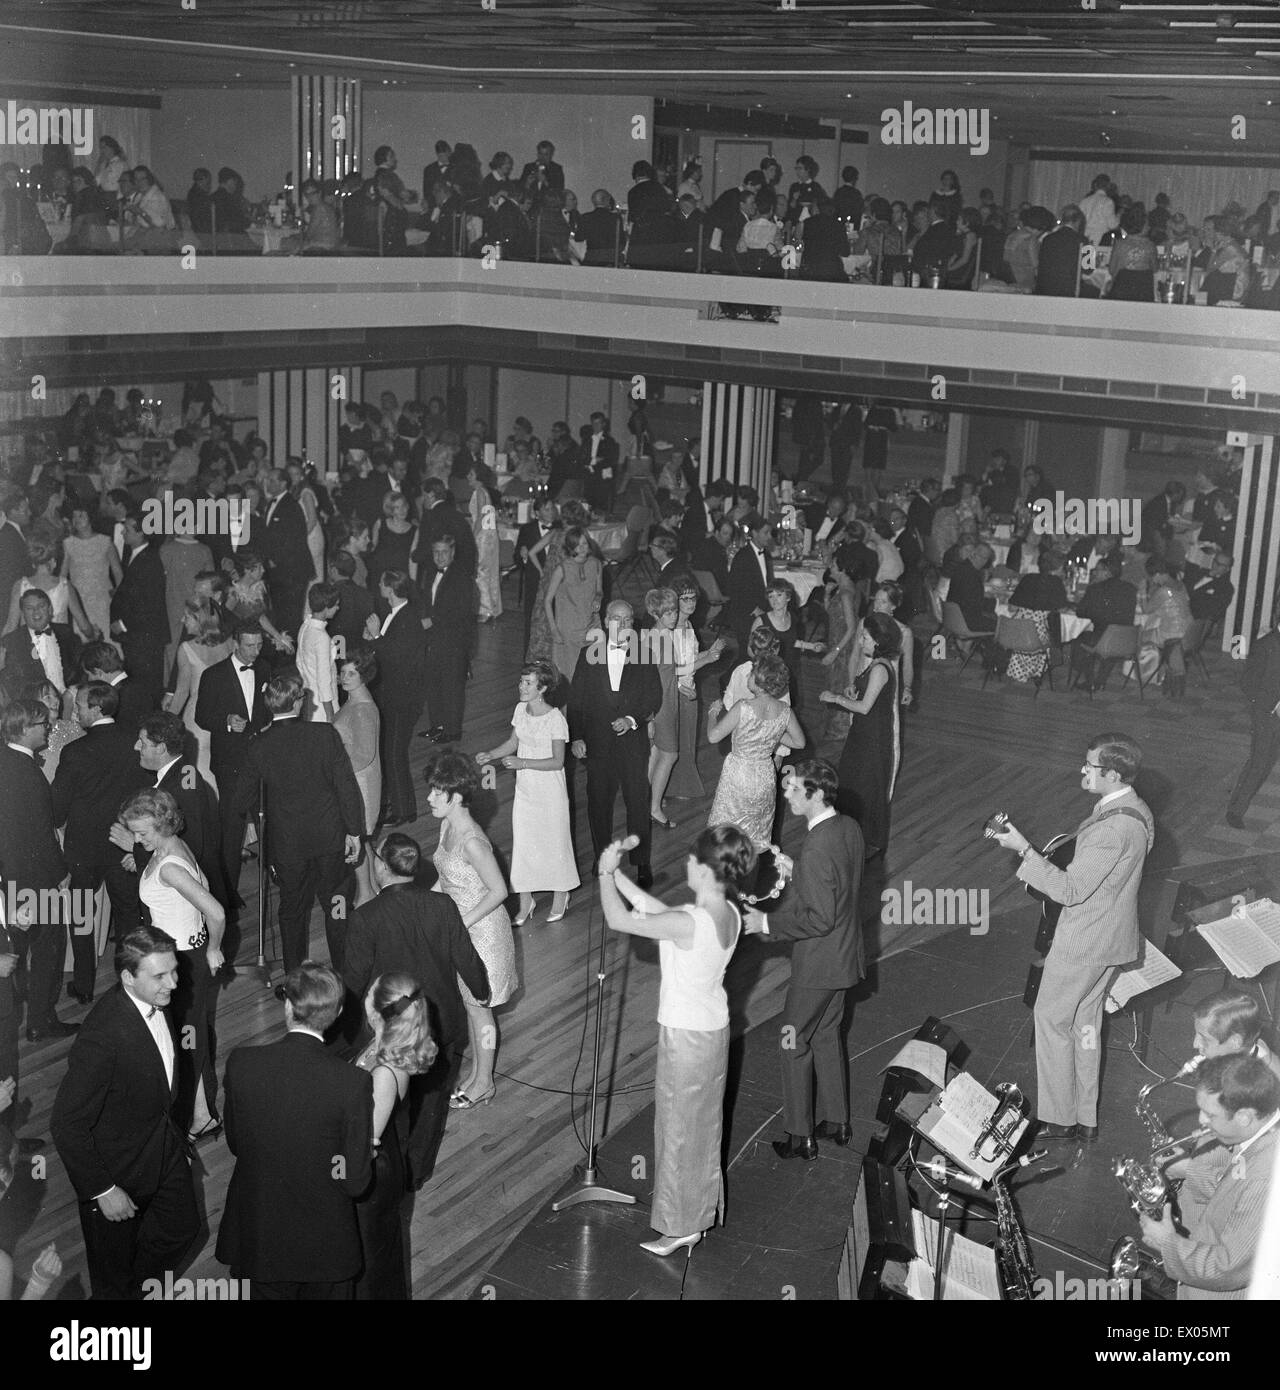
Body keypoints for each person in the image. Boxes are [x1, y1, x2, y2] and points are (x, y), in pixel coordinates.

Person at [597, 824, 756, 1256]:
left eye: (691, 859)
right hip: (713, 1034)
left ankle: (680, 1225)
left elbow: (621, 919)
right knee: (702, 1129)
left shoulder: (690, 922)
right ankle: (697, 1214)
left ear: (705, 871)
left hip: (686, 1039)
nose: (685, 863)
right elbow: (654, 911)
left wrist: (601, 878)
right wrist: (616, 875)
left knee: (677, 1131)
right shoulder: (729, 913)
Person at [991, 733, 1154, 1139]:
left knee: (1050, 1020)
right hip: (1111, 939)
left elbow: (1068, 891)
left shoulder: (1111, 828)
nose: (1083, 770)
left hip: (1083, 942)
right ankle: (1084, 1118)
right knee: (1085, 1024)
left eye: (1091, 766)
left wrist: (1023, 850)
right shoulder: (1138, 810)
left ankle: (1059, 1117)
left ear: (1113, 774)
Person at [50, 924, 201, 1300]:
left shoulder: (159, 1001)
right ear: (127, 978)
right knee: (111, 1278)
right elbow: (66, 1124)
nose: (174, 983)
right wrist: (103, 1190)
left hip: (161, 1148)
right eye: (161, 976)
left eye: (175, 970)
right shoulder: (102, 1036)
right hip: (114, 1171)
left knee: (183, 1229)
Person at [217, 962, 374, 1300]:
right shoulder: (353, 1083)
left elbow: (236, 1142)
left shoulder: (242, 1063)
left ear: (288, 1006)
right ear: (338, 1012)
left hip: (260, 1236)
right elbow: (356, 1181)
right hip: (326, 1246)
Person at [343, 832, 488, 1188]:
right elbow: (466, 959)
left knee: (394, 1106)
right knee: (432, 1106)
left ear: (380, 866)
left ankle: (393, 1174)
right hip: (442, 1023)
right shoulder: (443, 906)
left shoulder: (366, 917)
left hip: (389, 1031)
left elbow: (352, 980)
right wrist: (481, 992)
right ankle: (417, 1173)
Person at [743, 760, 865, 1160]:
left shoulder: (815, 847)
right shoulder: (847, 827)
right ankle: (837, 1121)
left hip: (818, 966)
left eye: (794, 789)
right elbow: (837, 885)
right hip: (845, 957)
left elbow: (818, 918)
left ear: (814, 794)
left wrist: (765, 920)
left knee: (791, 1040)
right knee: (827, 1035)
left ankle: (800, 1136)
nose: (786, 793)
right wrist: (798, 873)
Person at [233, 672, 363, 973]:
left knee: (291, 911)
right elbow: (346, 786)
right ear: (300, 700)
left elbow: (241, 800)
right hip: (330, 837)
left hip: (287, 844)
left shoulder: (259, 745)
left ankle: (294, 980)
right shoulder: (324, 734)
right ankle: (344, 973)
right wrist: (354, 831)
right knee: (337, 903)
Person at [118, 788, 224, 1140]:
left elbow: (216, 911)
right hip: (178, 955)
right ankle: (203, 1112)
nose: (137, 839)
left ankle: (201, 1117)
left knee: (186, 1041)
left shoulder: (171, 866)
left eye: (142, 833)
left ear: (162, 825)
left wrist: (213, 949)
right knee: (191, 1037)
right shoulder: (170, 846)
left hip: (182, 963)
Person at [1139, 1054, 1280, 1300]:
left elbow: (1228, 1268)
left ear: (1245, 1117)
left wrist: (1167, 1243)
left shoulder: (1266, 1178)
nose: (1202, 1121)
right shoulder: (1259, 1137)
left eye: (1210, 1115)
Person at [426, 753, 517, 1110]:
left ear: (456, 796)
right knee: (472, 1007)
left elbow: (500, 891)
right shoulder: (446, 825)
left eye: (437, 792)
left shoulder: (473, 842)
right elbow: (446, 877)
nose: (430, 798)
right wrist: (425, 906)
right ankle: (479, 1074)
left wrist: (459, 924)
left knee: (480, 1010)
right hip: (462, 932)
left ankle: (485, 1083)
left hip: (484, 936)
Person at [53, 681, 149, 1004]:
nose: (76, 710)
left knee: (81, 918)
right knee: (127, 916)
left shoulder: (75, 751)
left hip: (82, 849)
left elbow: (57, 809)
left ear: (97, 709)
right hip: (123, 846)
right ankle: (127, 986)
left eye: (79, 705)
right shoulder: (133, 744)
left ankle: (83, 987)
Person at [352, 974, 436, 1299]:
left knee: (371, 1264)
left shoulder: (386, 1072)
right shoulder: (388, 1046)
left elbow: (366, 1140)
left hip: (375, 1176)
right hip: (386, 1166)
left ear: (376, 1012)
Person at [568, 600, 663, 888]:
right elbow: (577, 701)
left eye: (628, 620)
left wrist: (632, 719)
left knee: (637, 802)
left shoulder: (644, 655)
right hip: (597, 744)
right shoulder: (588, 655)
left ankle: (642, 862)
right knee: (598, 803)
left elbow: (653, 698)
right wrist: (577, 736)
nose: (622, 626)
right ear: (605, 621)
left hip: (632, 744)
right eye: (616, 619)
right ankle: (601, 856)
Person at [477, 660, 579, 925]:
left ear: (542, 687)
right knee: (524, 845)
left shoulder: (556, 718)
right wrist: (492, 754)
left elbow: (557, 761)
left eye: (528, 683)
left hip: (550, 793)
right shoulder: (521, 710)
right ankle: (525, 902)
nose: (521, 687)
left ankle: (561, 894)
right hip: (526, 792)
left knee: (555, 842)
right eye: (521, 681)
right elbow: (513, 742)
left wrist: (523, 763)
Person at [0, 700, 74, 1042]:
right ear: (25, 728)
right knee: (48, 950)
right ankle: (40, 1021)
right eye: (42, 724)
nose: (47, 728)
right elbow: (42, 834)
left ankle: (15, 1013)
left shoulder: (5, 762)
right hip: (36, 878)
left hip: (9, 877)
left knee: (15, 947)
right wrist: (60, 874)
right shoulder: (28, 773)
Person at [821, 613, 902, 860]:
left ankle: (867, 841)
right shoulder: (875, 664)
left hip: (873, 736)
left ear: (877, 640)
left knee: (866, 785)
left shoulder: (880, 668)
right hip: (864, 733)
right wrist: (851, 692)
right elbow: (865, 696)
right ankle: (855, 837)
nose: (860, 641)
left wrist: (836, 698)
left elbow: (866, 707)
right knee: (853, 780)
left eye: (865, 637)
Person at [706, 653, 803, 849]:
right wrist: (771, 732)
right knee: (757, 833)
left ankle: (728, 873)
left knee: (727, 832)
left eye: (751, 674)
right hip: (765, 775)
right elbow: (799, 743)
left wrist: (712, 714)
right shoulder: (785, 710)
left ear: (759, 683)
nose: (747, 676)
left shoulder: (743, 707)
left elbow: (713, 736)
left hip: (739, 773)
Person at [333, 648, 382, 903]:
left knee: (357, 840)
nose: (345, 677)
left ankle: (364, 896)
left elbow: (364, 755)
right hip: (355, 780)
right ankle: (373, 889)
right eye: (343, 672)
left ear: (364, 676)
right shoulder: (354, 699)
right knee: (362, 841)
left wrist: (332, 769)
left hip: (359, 783)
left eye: (352, 673)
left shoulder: (362, 707)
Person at [1225, 609, 1280, 829]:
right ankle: (1235, 810)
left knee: (1266, 761)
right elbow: (1248, 683)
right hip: (1266, 714)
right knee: (1259, 763)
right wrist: (1274, 706)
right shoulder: (1266, 644)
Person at [421, 536, 476, 744]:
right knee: (433, 682)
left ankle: (453, 731)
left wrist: (432, 620)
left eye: (444, 552)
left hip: (454, 640)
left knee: (451, 686)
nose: (439, 556)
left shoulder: (461, 577)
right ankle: (437, 726)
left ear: (452, 553)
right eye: (436, 552)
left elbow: (460, 611)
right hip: (434, 638)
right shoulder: (430, 573)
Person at [544, 524, 603, 681]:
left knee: (591, 673)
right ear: (571, 547)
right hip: (568, 630)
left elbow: (599, 590)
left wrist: (598, 599)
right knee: (569, 674)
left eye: (584, 543)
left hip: (592, 625)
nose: (582, 548)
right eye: (578, 545)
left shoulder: (596, 564)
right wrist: (554, 630)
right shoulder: (562, 569)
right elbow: (547, 601)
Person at [1192, 989, 1280, 1081]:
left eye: (1205, 1039)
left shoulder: (1259, 1084)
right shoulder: (1235, 1055)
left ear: (1235, 1042)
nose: (1195, 1044)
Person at [724, 512, 774, 656]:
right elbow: (734, 588)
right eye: (766, 533)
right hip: (746, 614)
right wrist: (754, 609)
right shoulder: (743, 557)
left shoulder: (766, 554)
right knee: (747, 655)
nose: (769, 537)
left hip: (762, 610)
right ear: (754, 533)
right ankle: (728, 678)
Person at [296, 581, 340, 722]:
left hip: (309, 698)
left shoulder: (305, 626)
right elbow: (323, 679)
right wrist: (330, 713)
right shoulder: (321, 637)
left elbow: (300, 663)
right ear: (326, 607)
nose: (338, 608)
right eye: (336, 605)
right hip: (323, 706)